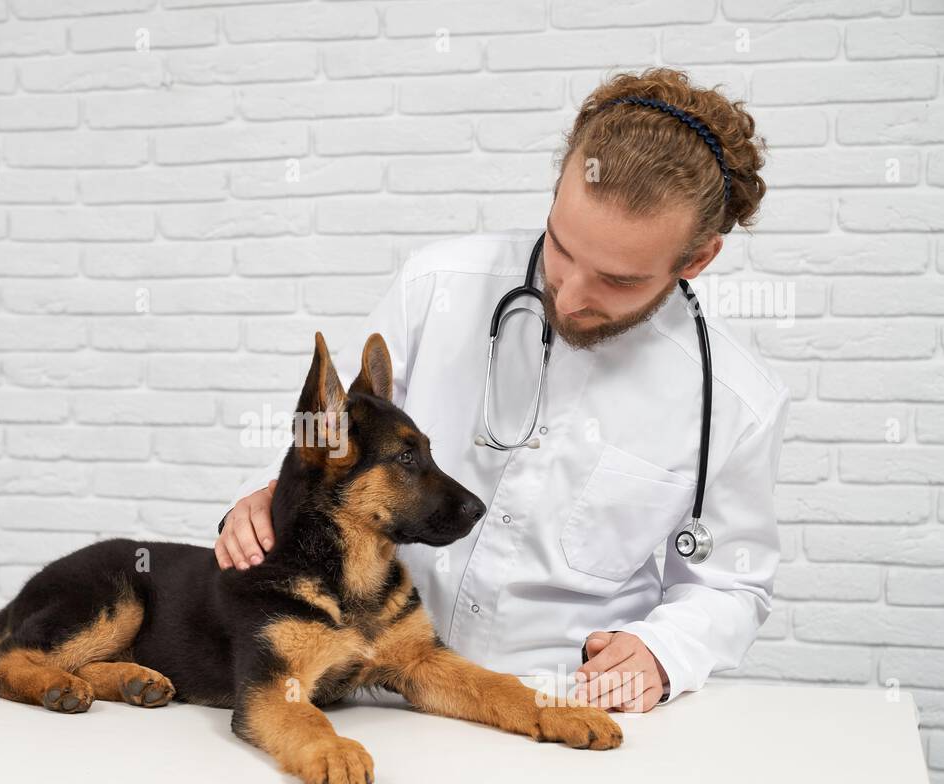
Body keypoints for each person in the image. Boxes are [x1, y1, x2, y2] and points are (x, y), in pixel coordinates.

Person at [214, 67, 790, 714]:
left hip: (564, 709)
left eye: (617, 280)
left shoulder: (736, 403)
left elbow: (732, 584)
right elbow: (333, 439)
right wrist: (264, 500)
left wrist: (661, 652)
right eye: (562, 247)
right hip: (379, 694)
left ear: (696, 260)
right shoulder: (435, 286)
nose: (568, 296)